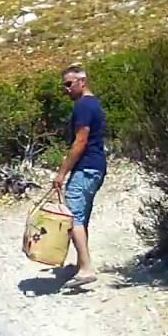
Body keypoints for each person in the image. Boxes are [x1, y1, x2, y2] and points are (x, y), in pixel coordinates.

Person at [52, 64, 106, 288]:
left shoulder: (83, 106)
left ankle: (85, 268)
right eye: (64, 85)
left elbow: (80, 141)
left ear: (82, 81)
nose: (66, 89)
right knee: (81, 218)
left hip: (85, 167)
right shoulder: (95, 104)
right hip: (97, 167)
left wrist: (62, 173)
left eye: (69, 84)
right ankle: (81, 263)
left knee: (73, 217)